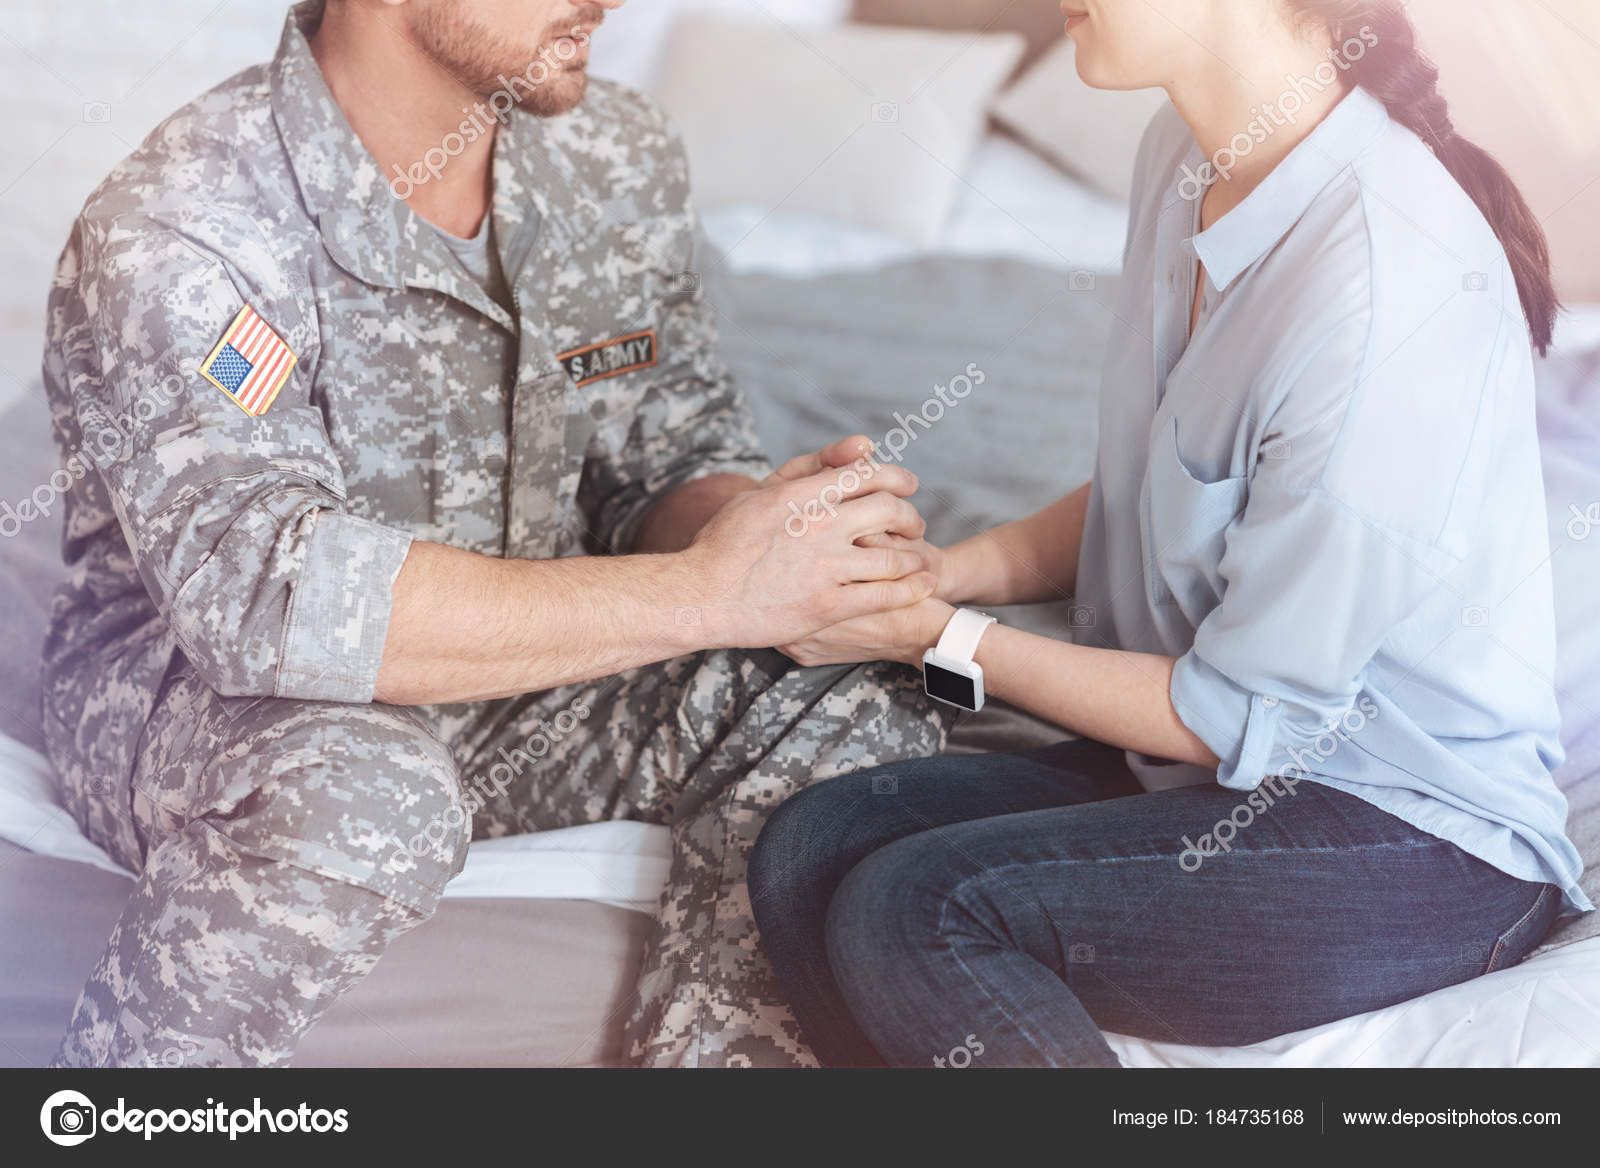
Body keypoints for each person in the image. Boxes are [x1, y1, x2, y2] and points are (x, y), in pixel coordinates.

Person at [41, 0, 949, 1068]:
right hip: (219, 698)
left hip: (541, 662)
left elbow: (665, 444)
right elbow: (273, 603)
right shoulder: (184, 220)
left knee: (853, 699)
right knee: (364, 800)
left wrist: (772, 542)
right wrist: (713, 589)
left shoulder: (619, 150)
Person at [748, 0, 1592, 1068]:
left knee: (915, 907)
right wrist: (938, 569)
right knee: (811, 848)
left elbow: (1231, 713)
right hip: (1201, 780)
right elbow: (1163, 477)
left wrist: (932, 634)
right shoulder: (1188, 152)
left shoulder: (1381, 284)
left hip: (1411, 845)